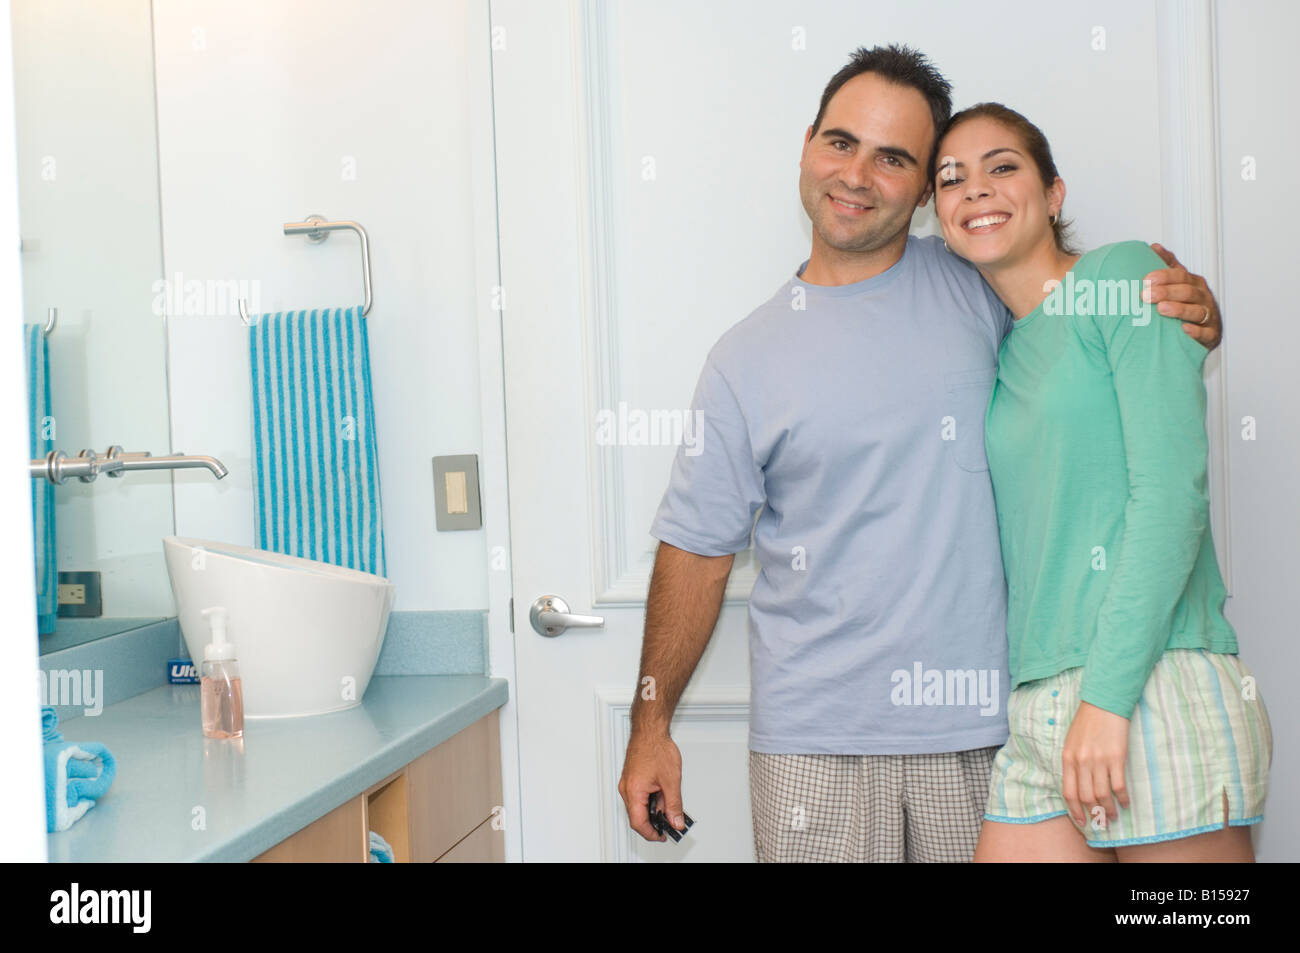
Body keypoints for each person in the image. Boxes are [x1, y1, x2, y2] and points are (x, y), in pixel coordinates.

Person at [617, 45, 1225, 862]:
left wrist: (1180, 309)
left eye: (895, 157)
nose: (858, 174)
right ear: (807, 145)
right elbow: (696, 548)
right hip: (812, 743)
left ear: (924, 189)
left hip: (985, 728)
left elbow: (1093, 332)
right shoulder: (743, 359)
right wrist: (650, 725)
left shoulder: (980, 279)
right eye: (841, 143)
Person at [929, 102, 1270, 862]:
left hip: (1153, 680)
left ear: (1053, 194)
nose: (975, 189)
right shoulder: (1002, 352)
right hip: (1039, 702)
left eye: (1002, 167)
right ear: (939, 215)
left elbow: (1171, 498)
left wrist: (1108, 698)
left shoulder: (1122, 278)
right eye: (952, 178)